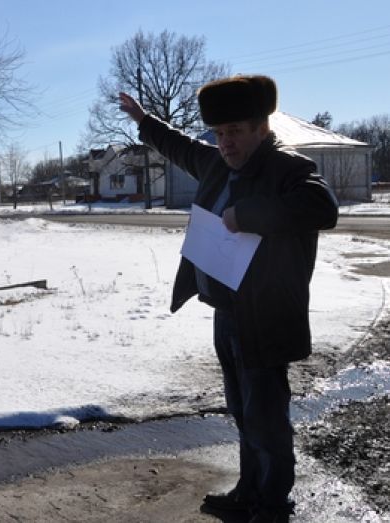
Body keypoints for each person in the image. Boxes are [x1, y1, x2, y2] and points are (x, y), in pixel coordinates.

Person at [117, 76, 338, 523]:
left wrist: (248, 215)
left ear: (261, 127)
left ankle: (273, 503)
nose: (225, 142)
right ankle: (249, 490)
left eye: (235, 131)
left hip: (267, 315)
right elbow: (178, 147)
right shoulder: (218, 163)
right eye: (219, 133)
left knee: (266, 417)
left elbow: (323, 208)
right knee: (242, 410)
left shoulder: (288, 169)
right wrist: (143, 120)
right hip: (227, 311)